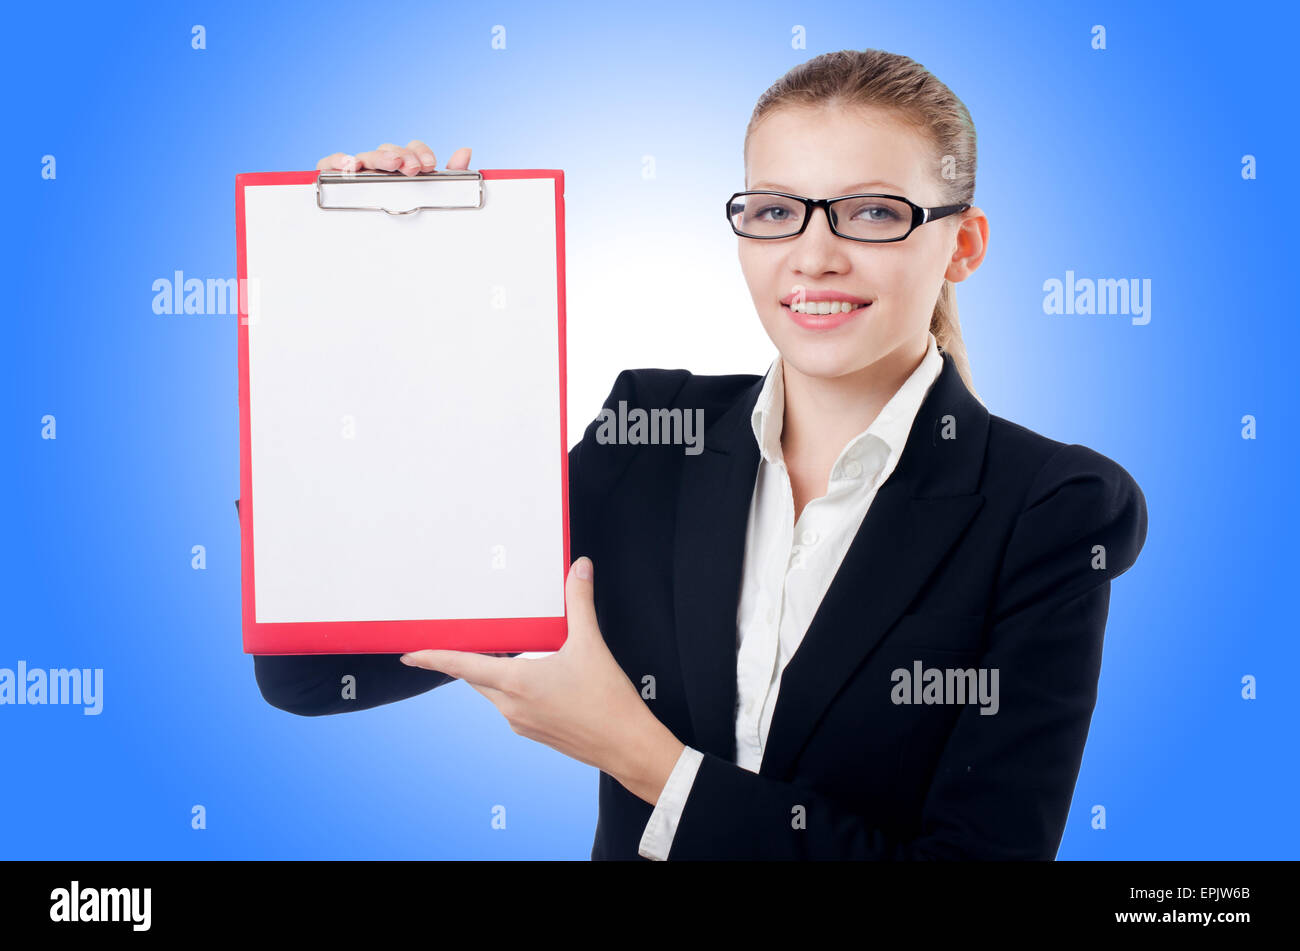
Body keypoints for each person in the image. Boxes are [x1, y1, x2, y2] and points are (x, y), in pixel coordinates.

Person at [250, 48, 1148, 860]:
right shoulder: (652, 433)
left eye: (874, 211)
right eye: (776, 211)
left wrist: (651, 764)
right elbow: (312, 673)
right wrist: (357, 286)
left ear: (964, 243)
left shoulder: (1051, 508)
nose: (815, 255)